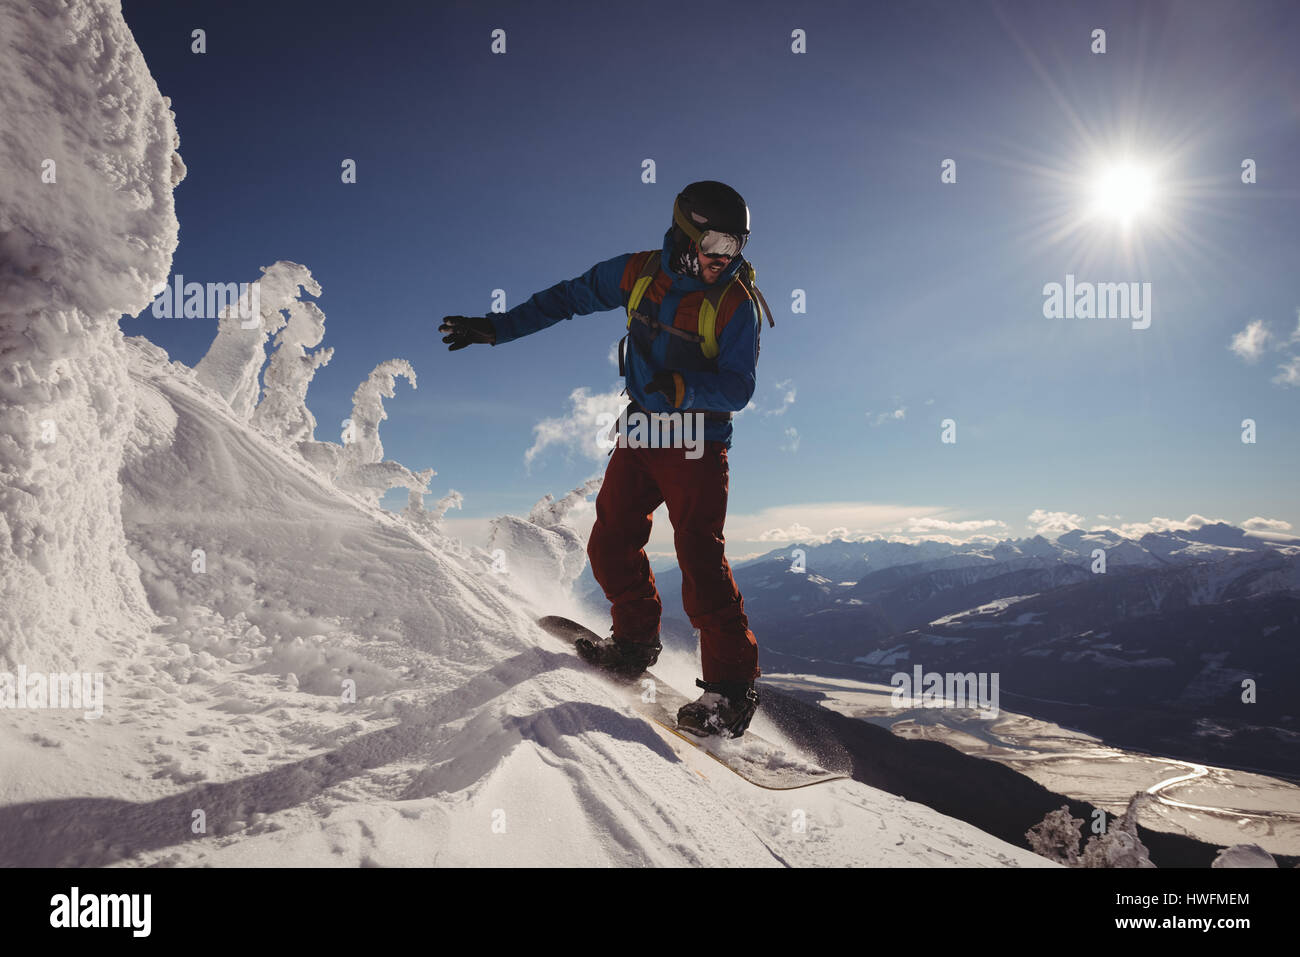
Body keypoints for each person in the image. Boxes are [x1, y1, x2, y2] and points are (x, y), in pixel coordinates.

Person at [439, 181, 770, 738]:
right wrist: (498, 328)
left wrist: (683, 386)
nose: (723, 257)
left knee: (697, 554)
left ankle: (730, 693)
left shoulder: (736, 303)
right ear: (687, 233)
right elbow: (566, 297)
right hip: (641, 427)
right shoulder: (638, 272)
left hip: (697, 436)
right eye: (714, 241)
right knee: (611, 539)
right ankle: (635, 643)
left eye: (735, 245)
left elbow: (738, 387)